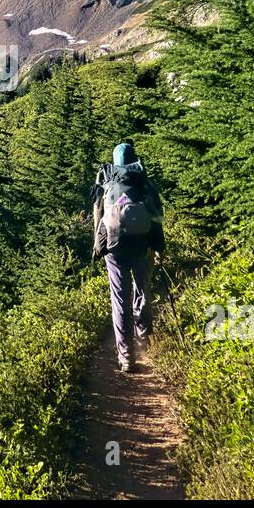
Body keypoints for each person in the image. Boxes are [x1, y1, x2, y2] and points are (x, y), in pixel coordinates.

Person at [91, 142, 164, 373]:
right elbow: (157, 218)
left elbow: (98, 216)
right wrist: (159, 247)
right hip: (143, 245)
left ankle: (126, 357)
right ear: (134, 160)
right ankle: (144, 341)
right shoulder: (145, 181)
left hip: (114, 247)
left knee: (119, 299)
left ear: (115, 161)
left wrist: (97, 245)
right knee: (142, 290)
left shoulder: (106, 181)